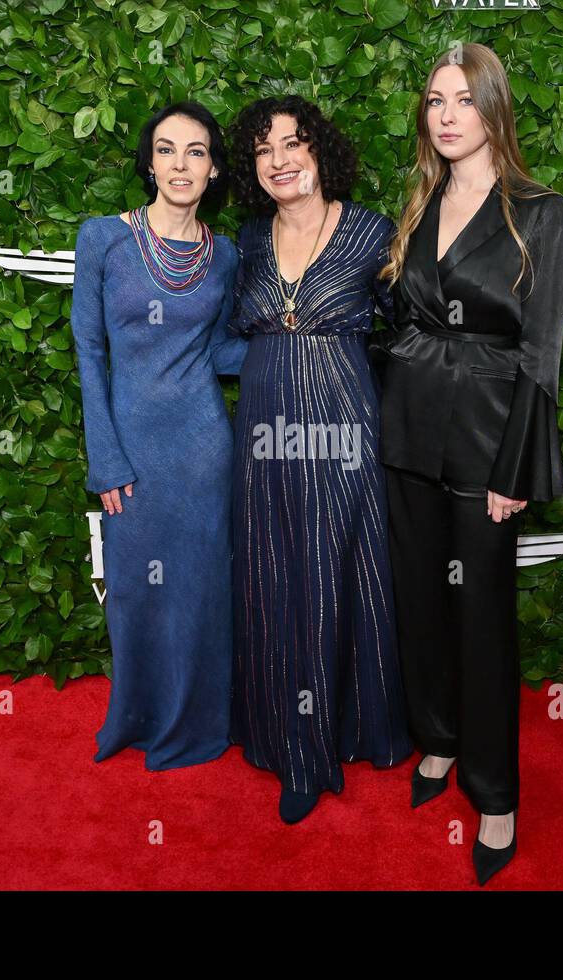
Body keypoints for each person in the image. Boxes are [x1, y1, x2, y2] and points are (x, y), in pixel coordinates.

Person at [376, 43, 563, 885]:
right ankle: (439, 739)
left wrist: (514, 468)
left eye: (463, 99)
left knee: (483, 620)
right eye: (434, 100)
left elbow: (542, 351)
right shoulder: (420, 199)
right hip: (408, 430)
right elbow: (401, 321)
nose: (446, 115)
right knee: (419, 602)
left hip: (488, 440)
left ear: (494, 108)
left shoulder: (540, 211)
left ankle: (495, 793)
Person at [224, 95, 413, 824]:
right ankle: (294, 746)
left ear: (319, 150)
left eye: (293, 143)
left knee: (340, 567)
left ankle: (354, 727)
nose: (279, 160)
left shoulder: (370, 232)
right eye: (264, 150)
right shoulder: (246, 240)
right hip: (265, 426)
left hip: (343, 423)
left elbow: (409, 332)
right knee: (275, 573)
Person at [71, 102, 247, 771]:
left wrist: (302, 346)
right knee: (137, 592)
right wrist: (106, 458)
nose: (180, 164)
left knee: (201, 593)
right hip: (134, 454)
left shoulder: (224, 255)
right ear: (149, 162)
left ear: (214, 169)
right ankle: (140, 719)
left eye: (196, 151)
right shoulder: (103, 239)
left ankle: (201, 722)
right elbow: (90, 351)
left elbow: (221, 351)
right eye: (167, 149)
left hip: (203, 451)